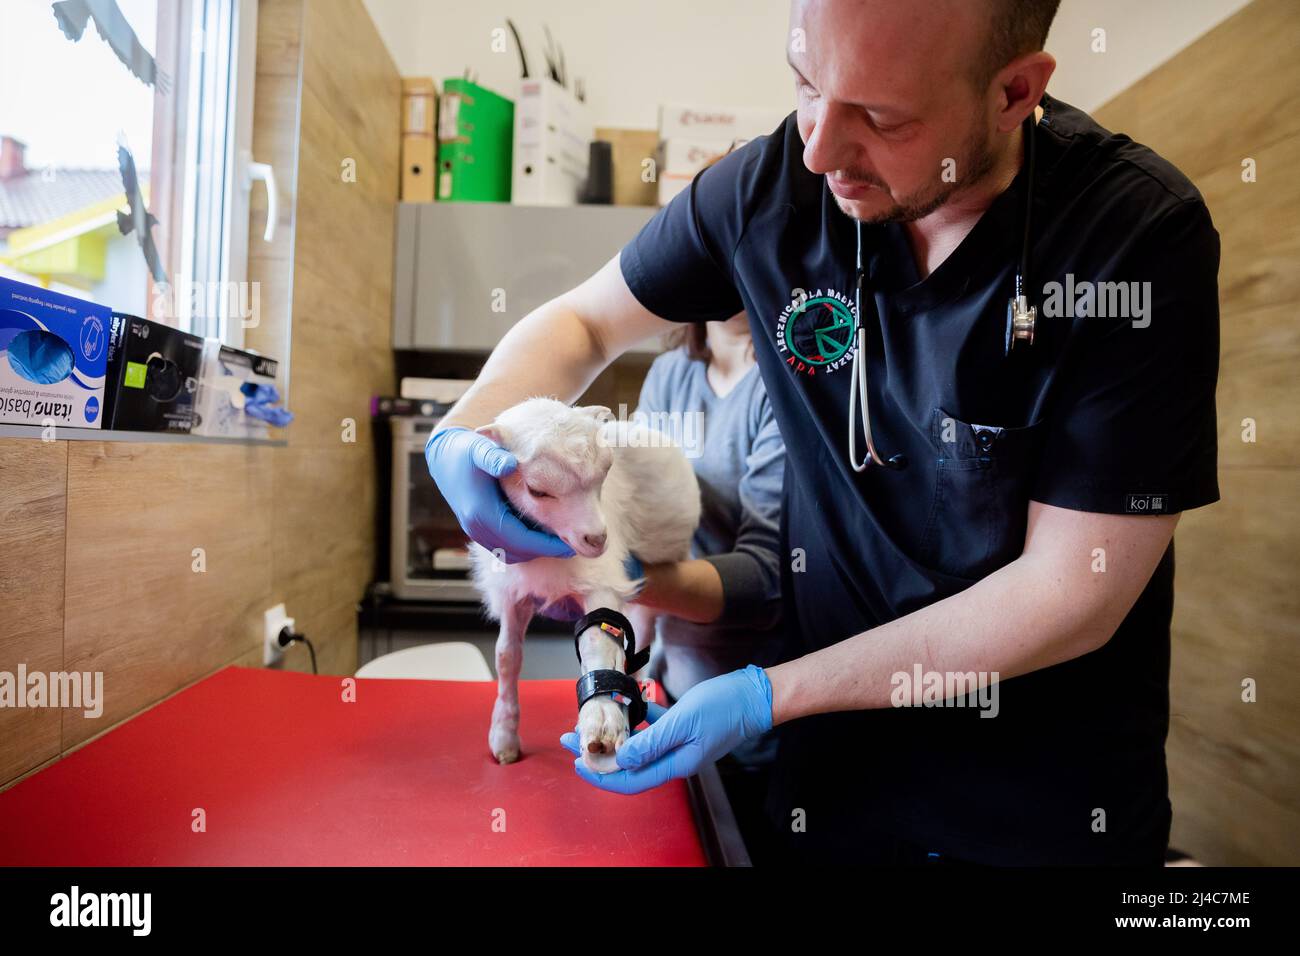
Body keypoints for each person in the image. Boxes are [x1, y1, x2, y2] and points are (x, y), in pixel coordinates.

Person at [424, 0, 1220, 865]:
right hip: (831, 790)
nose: (817, 150)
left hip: (1041, 812)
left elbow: (1072, 595)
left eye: (881, 118)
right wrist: (459, 436)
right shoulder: (768, 193)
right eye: (805, 85)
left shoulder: (1134, 238)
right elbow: (581, 323)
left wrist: (767, 694)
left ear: (1013, 92)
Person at [630, 312, 788, 862]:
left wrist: (626, 580)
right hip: (673, 684)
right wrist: (631, 670)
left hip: (759, 697)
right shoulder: (669, 375)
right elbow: (644, 526)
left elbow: (764, 578)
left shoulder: (787, 378)